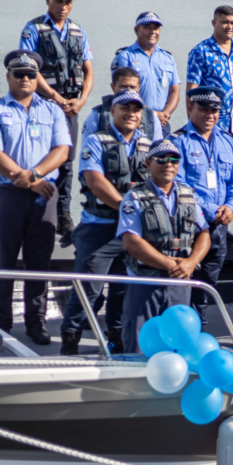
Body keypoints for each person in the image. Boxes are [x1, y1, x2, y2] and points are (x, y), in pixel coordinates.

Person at [0, 50, 71, 344]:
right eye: (19, 74)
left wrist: (34, 176)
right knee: (2, 260)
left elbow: (62, 151)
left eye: (31, 75)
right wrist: (28, 180)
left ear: (37, 78)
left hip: (44, 195)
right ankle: (0, 323)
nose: (25, 79)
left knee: (38, 263)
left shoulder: (53, 110)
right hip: (6, 195)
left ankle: (36, 323)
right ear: (8, 77)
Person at [60, 89, 151, 355]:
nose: (131, 114)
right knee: (88, 290)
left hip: (133, 232)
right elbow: (95, 182)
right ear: (113, 111)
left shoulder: (149, 144)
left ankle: (117, 343)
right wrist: (129, 208)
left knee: (123, 291)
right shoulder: (95, 141)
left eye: (136, 109)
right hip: (99, 228)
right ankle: (69, 343)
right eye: (125, 108)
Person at [117, 140, 211, 353]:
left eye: (174, 159)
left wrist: (191, 263)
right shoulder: (134, 198)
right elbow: (131, 242)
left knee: (180, 347)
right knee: (139, 348)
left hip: (180, 285)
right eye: (161, 158)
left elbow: (204, 233)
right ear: (148, 163)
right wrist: (171, 265)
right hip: (145, 284)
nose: (168, 164)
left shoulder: (189, 196)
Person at [19, 0, 95, 241]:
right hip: (42, 105)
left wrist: (81, 101)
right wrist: (55, 97)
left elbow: (88, 71)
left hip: (71, 108)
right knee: (37, 156)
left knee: (67, 161)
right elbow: (30, 69)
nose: (64, 6)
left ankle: (63, 213)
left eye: (68, 1)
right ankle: (31, 209)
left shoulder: (78, 30)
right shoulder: (33, 29)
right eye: (59, 0)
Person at [172, 86, 233, 319]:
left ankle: (200, 327)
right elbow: (178, 184)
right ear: (190, 108)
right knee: (184, 283)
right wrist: (212, 209)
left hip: (219, 227)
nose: (210, 114)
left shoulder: (226, 141)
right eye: (204, 109)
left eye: (215, 110)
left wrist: (232, 207)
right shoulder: (177, 141)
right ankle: (181, 332)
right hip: (189, 225)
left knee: (208, 284)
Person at [186, 5, 233, 138]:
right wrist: (192, 125)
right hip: (210, 126)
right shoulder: (201, 51)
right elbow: (191, 91)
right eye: (225, 22)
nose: (229, 26)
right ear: (214, 23)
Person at [111, 12, 180, 134]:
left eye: (156, 28)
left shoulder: (168, 58)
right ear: (137, 30)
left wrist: (165, 114)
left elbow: (174, 91)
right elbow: (122, 91)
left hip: (162, 123)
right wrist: (152, 114)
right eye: (147, 27)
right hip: (135, 121)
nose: (153, 31)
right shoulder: (125, 57)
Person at [82, 67, 163, 142]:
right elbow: (87, 147)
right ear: (113, 87)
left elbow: (157, 153)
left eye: (133, 87)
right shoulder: (97, 115)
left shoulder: (151, 118)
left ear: (139, 88)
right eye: (124, 87)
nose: (128, 90)